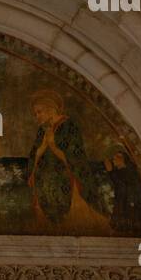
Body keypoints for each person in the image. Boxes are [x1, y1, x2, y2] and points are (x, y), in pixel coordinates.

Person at [27, 89, 110, 233]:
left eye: (39, 112)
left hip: (66, 180)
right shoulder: (42, 130)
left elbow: (75, 156)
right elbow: (35, 154)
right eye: (35, 114)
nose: (37, 116)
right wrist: (41, 149)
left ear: (51, 109)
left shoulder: (68, 126)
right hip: (45, 182)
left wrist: (53, 144)